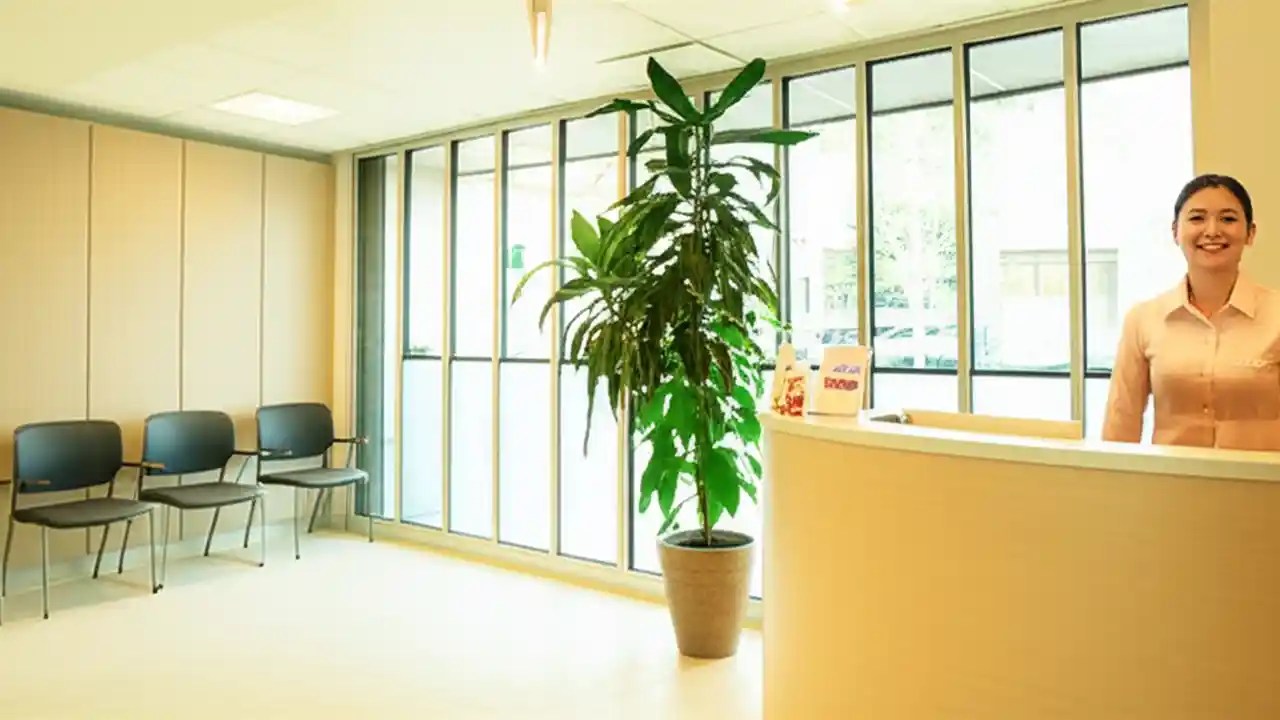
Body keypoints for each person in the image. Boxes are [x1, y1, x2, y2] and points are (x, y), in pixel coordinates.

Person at [1102, 173, 1280, 450]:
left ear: (1250, 233)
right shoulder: (1144, 319)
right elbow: (1121, 421)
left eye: (1228, 219)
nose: (1212, 230)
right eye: (1197, 218)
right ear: (1175, 231)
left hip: (1263, 489)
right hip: (1174, 487)